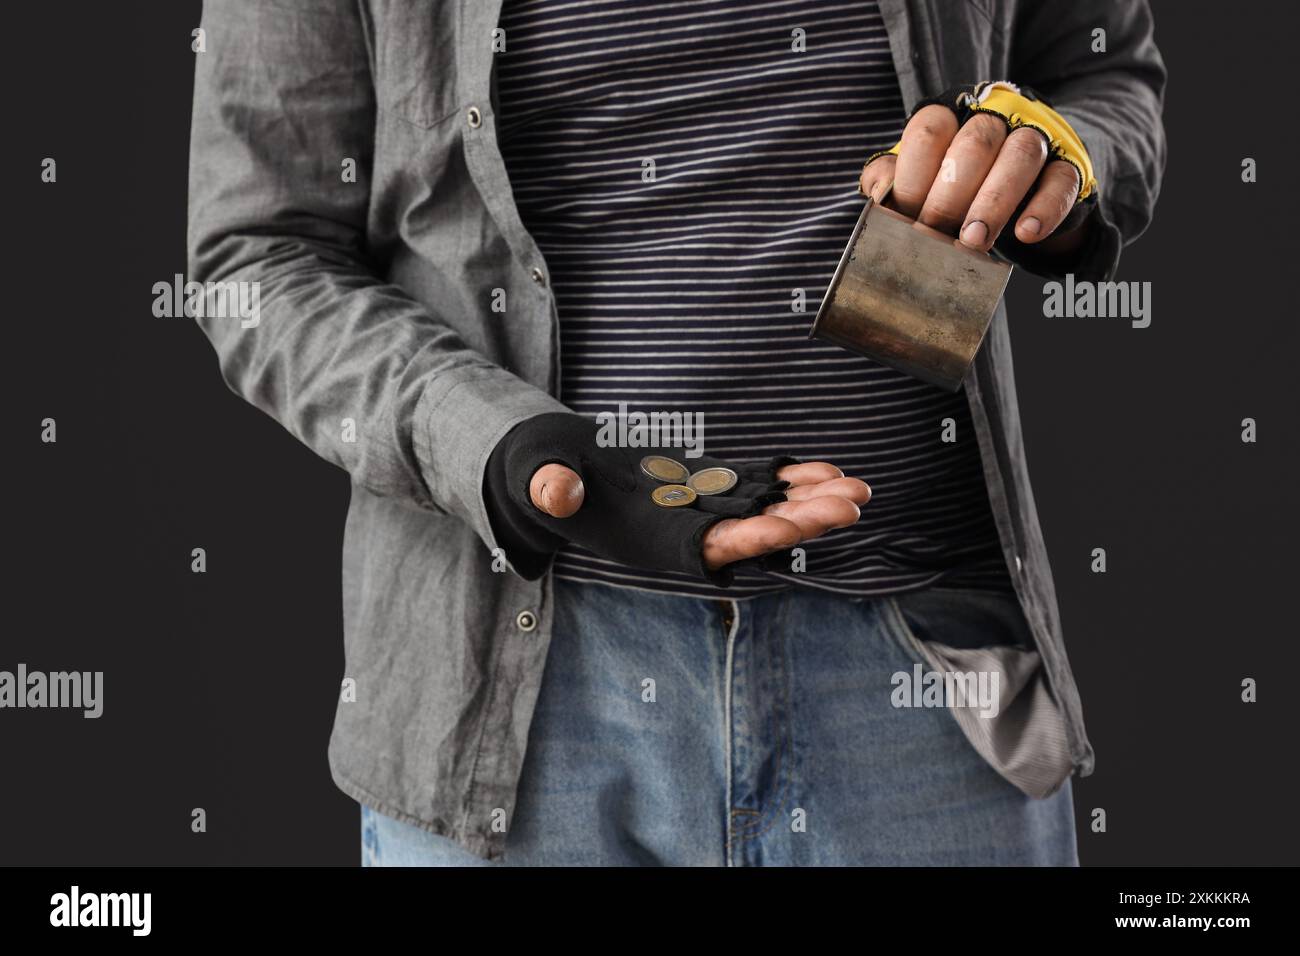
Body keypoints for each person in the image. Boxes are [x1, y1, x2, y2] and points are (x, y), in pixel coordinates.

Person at [188, 0, 1166, 866]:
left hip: (921, 683)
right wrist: (496, 445)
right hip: (520, 709)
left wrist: (1057, 159)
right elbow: (258, 259)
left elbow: (1100, 74)